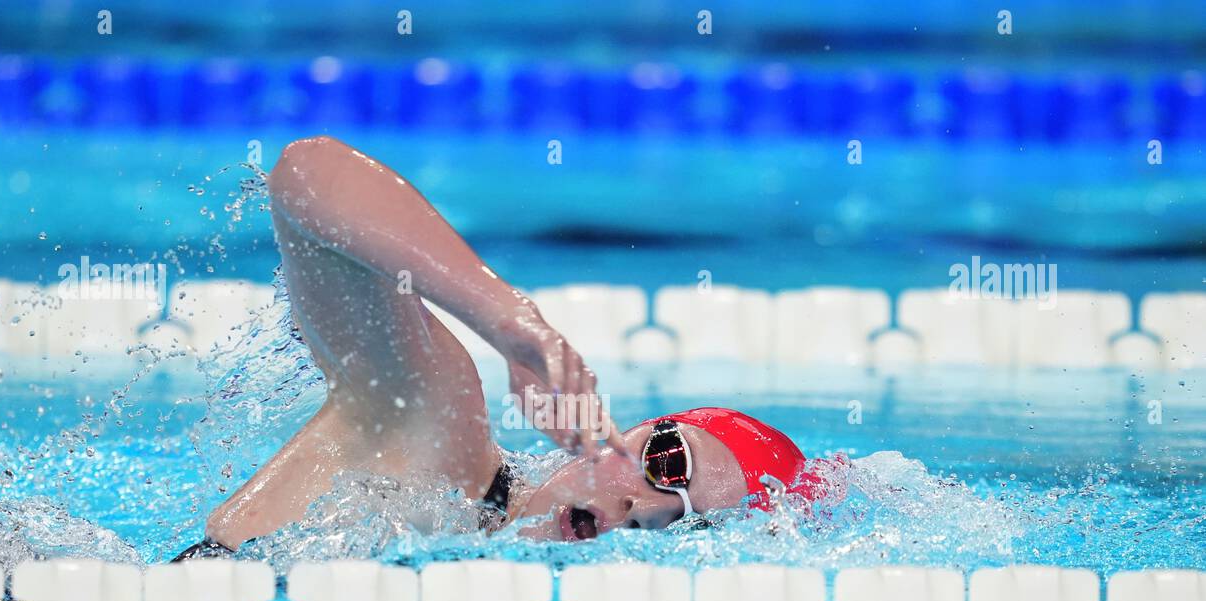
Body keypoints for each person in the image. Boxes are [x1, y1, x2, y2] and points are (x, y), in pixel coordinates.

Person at [175, 136, 823, 560]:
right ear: (636, 429)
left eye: (690, 527)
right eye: (668, 464)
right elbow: (304, 177)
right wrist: (507, 319)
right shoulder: (437, 433)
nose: (641, 510)